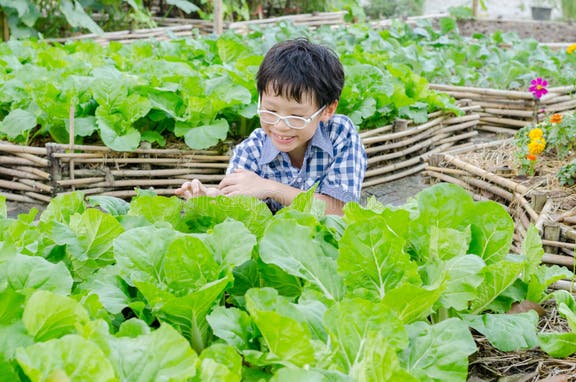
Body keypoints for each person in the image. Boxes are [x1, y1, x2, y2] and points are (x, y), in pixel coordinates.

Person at [175, 38, 367, 215]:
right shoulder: (251, 150)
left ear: (327, 110)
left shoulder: (340, 134)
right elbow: (236, 205)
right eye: (270, 111)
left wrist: (270, 188)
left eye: (296, 116)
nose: (280, 125)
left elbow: (342, 210)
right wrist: (209, 198)